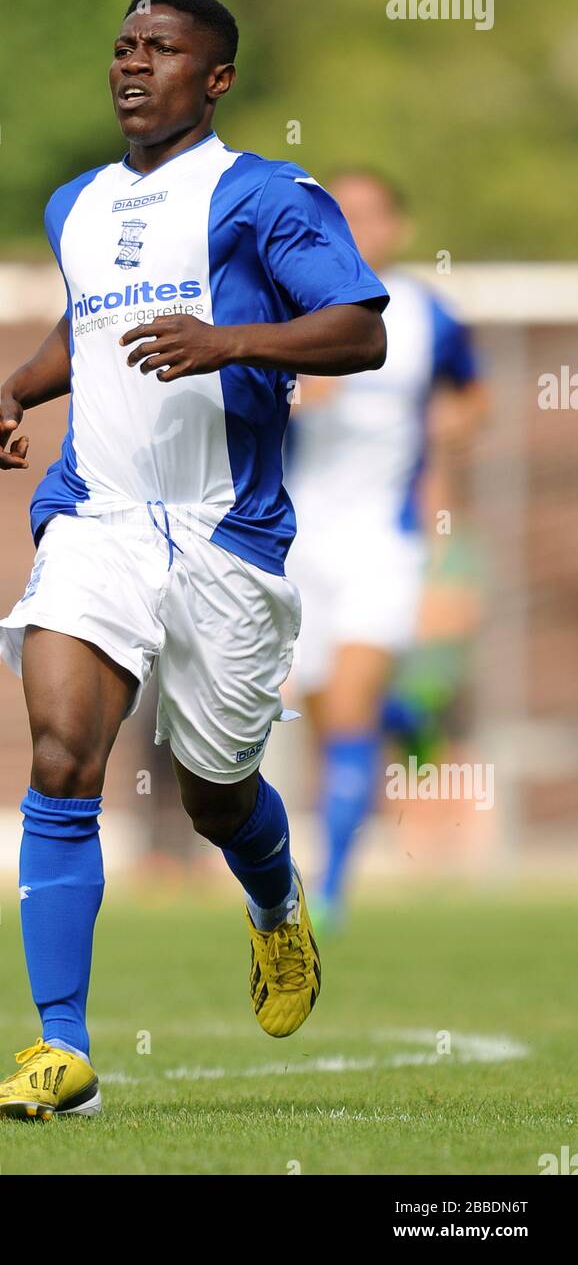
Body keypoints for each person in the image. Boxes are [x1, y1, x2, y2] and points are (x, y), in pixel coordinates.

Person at [0, 0, 388, 1120]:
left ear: (215, 79)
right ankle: (62, 1049)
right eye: (120, 46)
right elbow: (92, 324)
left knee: (214, 794)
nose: (131, 64)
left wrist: (230, 342)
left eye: (160, 50)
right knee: (63, 751)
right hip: (96, 518)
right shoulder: (73, 203)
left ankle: (273, 904)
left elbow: (358, 328)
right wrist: (13, 386)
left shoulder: (263, 197)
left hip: (225, 538)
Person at [281, 169, 487, 930]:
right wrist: (296, 393)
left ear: (397, 226)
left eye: (371, 214)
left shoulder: (429, 316)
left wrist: (452, 433)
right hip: (293, 541)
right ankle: (409, 723)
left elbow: (473, 396)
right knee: (315, 709)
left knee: (350, 708)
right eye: (343, 214)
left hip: (382, 542)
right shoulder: (288, 304)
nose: (358, 226)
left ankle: (330, 889)